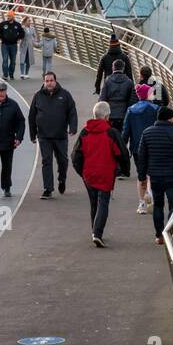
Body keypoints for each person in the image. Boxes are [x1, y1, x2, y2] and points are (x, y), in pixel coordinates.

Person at [71, 101, 129, 247]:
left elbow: (75, 155)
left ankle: (94, 231)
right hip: (106, 173)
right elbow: (122, 153)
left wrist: (81, 172)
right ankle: (97, 233)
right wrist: (124, 170)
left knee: (93, 202)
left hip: (89, 174)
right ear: (107, 116)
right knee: (103, 203)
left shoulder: (85, 132)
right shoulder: (111, 133)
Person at [136, 106, 173, 245]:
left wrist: (142, 177)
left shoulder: (147, 133)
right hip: (172, 175)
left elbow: (142, 157)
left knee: (158, 205)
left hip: (155, 176)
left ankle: (159, 236)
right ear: (169, 118)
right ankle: (170, 231)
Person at [29, 71, 78, 198]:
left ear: (55, 81)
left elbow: (72, 111)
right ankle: (48, 189)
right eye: (47, 81)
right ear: (44, 82)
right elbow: (32, 116)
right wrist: (32, 134)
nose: (49, 83)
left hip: (60, 135)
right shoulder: (38, 95)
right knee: (46, 161)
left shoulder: (65, 95)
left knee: (63, 161)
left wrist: (73, 127)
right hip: (44, 135)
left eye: (51, 80)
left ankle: (62, 179)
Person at [121, 85, 160, 214]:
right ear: (148, 95)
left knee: (141, 174)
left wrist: (123, 146)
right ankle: (152, 196)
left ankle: (142, 203)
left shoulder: (131, 110)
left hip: (137, 147)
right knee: (152, 173)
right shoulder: (156, 109)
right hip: (154, 145)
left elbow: (126, 131)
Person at [99, 58, 135, 147]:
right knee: (121, 140)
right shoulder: (129, 82)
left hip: (110, 115)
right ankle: (121, 155)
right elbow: (132, 101)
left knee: (110, 138)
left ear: (113, 68)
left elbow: (102, 99)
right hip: (123, 115)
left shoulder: (108, 80)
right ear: (123, 68)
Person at [0, 10, 25, 80]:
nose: (8, 17)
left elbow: (22, 34)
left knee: (13, 61)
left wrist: (17, 38)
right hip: (5, 45)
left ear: (13, 17)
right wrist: (3, 37)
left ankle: (11, 74)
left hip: (13, 45)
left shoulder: (17, 25)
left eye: (10, 16)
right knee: (5, 60)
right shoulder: (3, 24)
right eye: (8, 16)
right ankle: (5, 74)